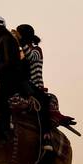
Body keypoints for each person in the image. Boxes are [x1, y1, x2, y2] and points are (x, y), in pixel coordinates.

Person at [14, 24, 59, 155]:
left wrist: (20, 41)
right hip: (23, 87)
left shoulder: (36, 50)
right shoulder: (20, 52)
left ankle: (47, 138)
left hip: (35, 87)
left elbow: (30, 57)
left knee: (43, 104)